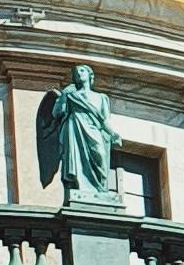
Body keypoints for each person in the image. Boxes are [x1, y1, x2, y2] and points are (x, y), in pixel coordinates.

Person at [36, 62, 121, 205]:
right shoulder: (70, 95)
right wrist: (64, 96)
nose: (79, 74)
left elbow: (104, 120)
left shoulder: (101, 98)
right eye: (76, 72)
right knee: (74, 161)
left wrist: (113, 134)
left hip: (94, 130)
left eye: (82, 71)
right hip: (74, 128)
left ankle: (100, 190)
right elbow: (57, 113)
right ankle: (78, 189)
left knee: (100, 155)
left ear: (90, 75)